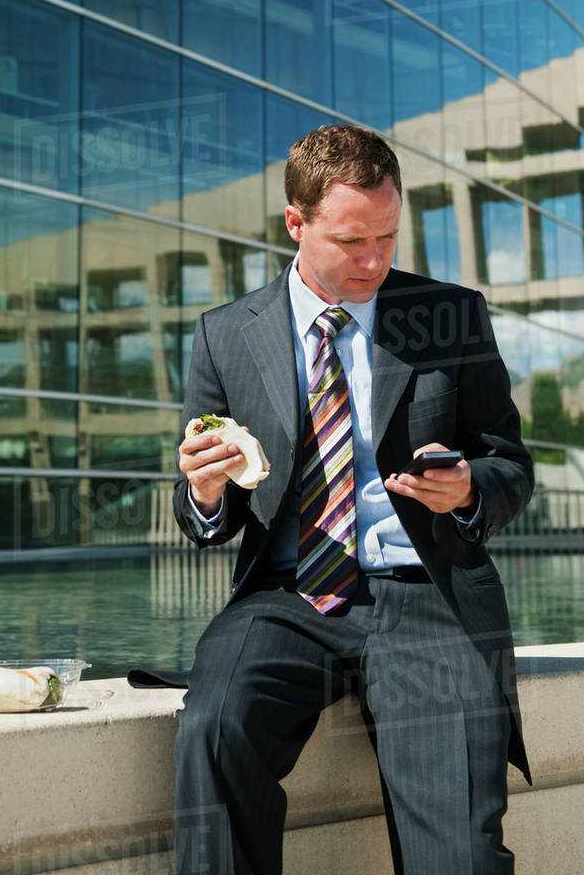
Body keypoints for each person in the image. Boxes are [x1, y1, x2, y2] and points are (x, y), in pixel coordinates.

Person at [173, 124, 533, 875]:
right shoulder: (223, 337)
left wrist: (468, 488)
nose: (374, 260)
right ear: (295, 224)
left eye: (388, 237)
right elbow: (210, 517)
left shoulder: (451, 316)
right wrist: (205, 491)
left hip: (426, 594)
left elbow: (509, 464)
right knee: (212, 729)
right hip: (286, 599)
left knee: (460, 856)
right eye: (350, 241)